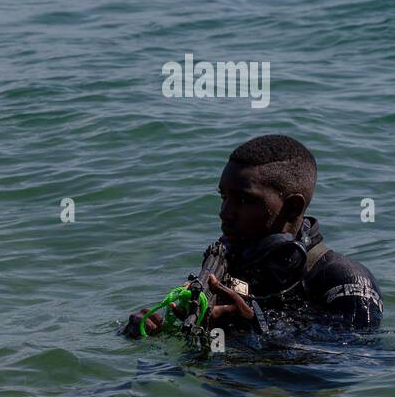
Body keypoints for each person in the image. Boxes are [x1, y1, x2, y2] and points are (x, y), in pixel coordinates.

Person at [125, 135, 381, 338]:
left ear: (292, 207)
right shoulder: (232, 264)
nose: (224, 213)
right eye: (223, 197)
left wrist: (253, 326)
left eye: (245, 200)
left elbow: (357, 359)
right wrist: (156, 328)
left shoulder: (344, 280)